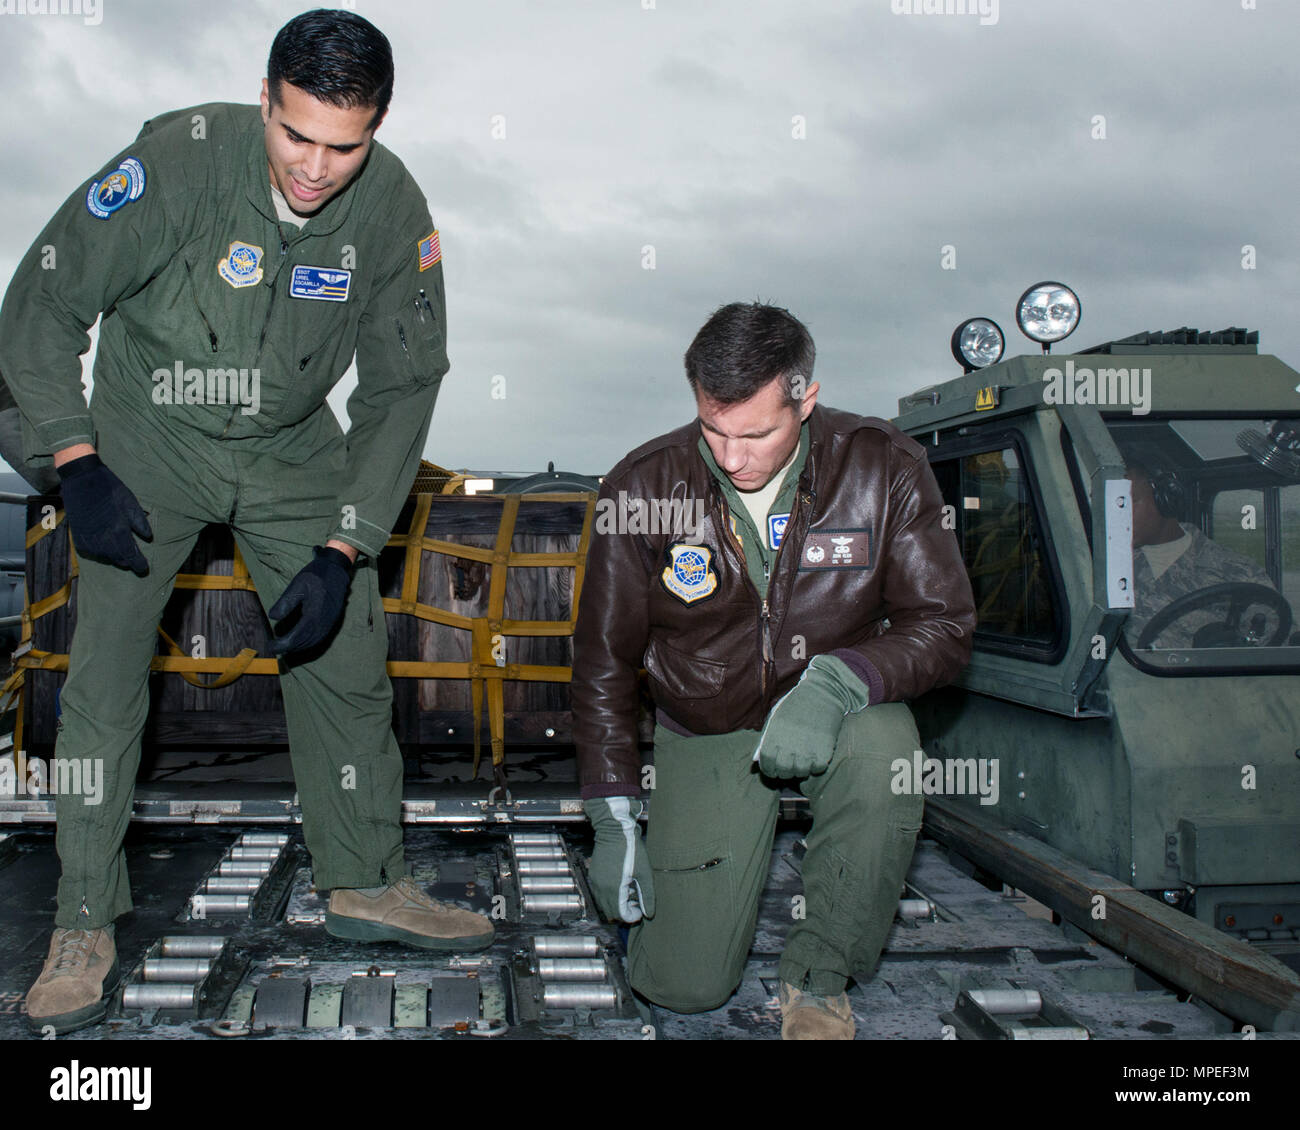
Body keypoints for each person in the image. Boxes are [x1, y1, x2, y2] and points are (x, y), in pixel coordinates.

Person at [0, 9, 493, 1035]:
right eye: (295, 134)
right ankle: (85, 918)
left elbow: (404, 386)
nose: (315, 167)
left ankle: (363, 880)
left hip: (288, 445)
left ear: (380, 124)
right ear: (263, 100)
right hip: (147, 429)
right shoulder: (175, 161)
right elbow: (41, 306)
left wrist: (346, 539)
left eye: (344, 145)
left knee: (346, 656)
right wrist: (76, 458)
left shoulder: (395, 210)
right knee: (102, 672)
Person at [572, 302, 976, 1039]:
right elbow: (604, 660)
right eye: (712, 429)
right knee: (682, 987)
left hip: (841, 709)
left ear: (806, 400)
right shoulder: (640, 487)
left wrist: (837, 681)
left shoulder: (884, 466)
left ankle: (819, 975)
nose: (730, 457)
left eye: (756, 433)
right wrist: (610, 808)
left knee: (887, 755)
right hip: (707, 718)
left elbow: (946, 626)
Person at [1124, 461, 1285, 649]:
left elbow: (1276, 644)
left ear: (1165, 499)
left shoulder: (1236, 571)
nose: (1115, 516)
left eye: (1126, 503)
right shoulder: (1099, 569)